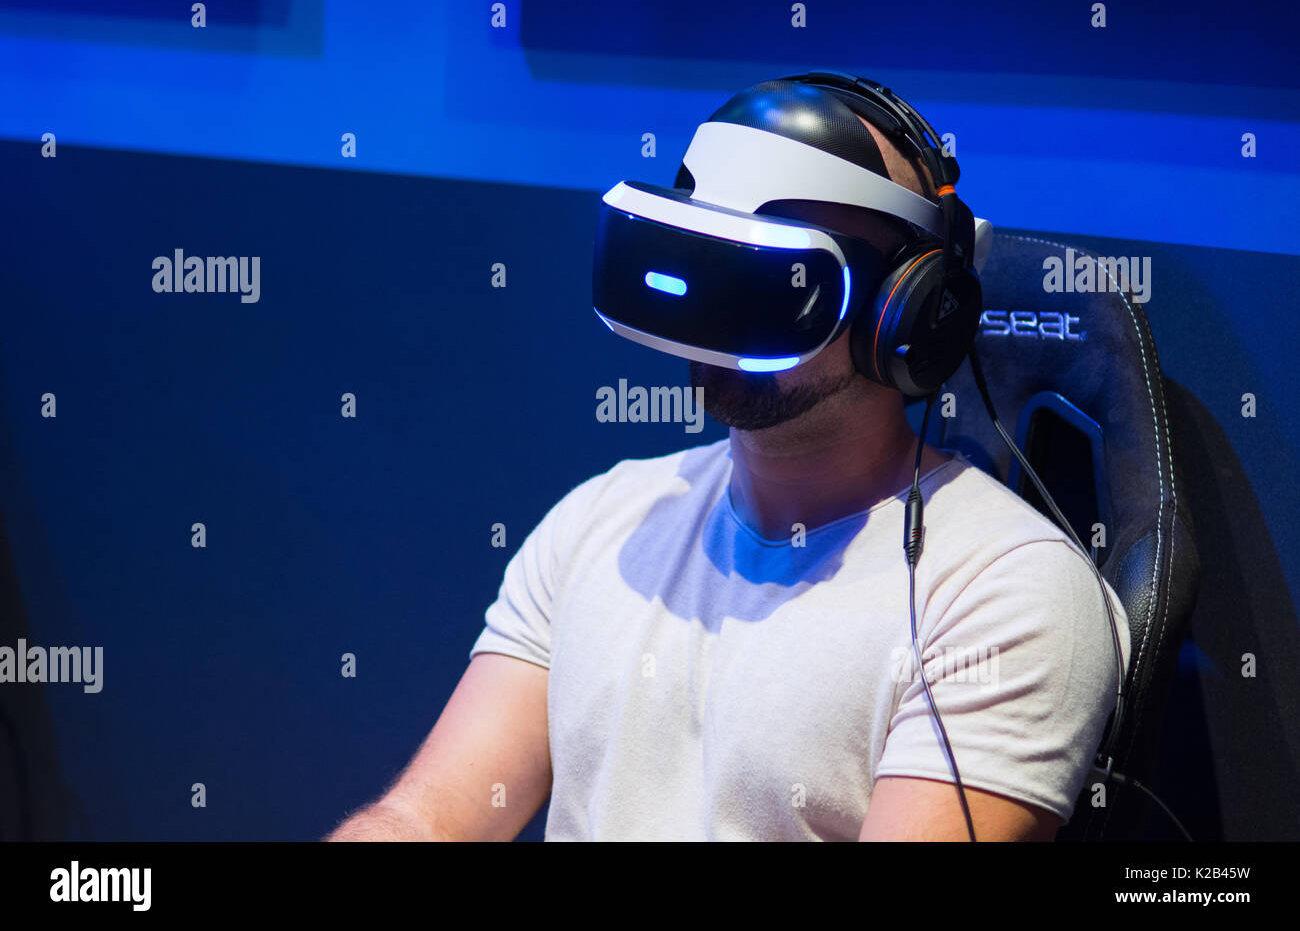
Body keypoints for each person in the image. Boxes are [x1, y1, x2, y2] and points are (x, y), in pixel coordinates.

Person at [327, 81, 1129, 842]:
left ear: (909, 309)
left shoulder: (1005, 594)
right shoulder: (604, 522)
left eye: (775, 273)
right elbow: (426, 819)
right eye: (711, 255)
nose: (723, 307)